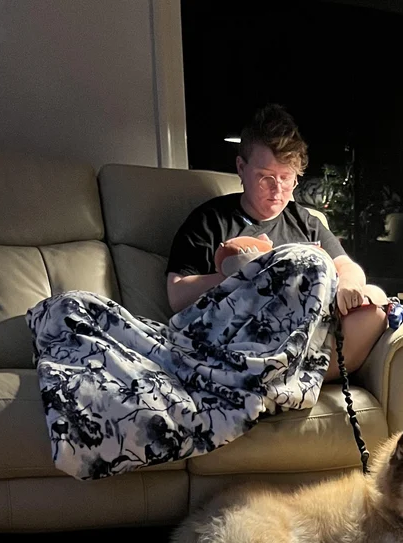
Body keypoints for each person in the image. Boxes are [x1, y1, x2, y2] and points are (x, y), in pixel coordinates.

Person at [166, 104, 387, 379]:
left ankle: (280, 377)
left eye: (286, 178)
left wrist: (349, 286)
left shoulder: (305, 221)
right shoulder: (210, 220)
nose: (278, 189)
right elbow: (177, 295)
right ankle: (269, 375)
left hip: (300, 337)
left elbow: (347, 266)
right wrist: (247, 274)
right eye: (265, 177)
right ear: (241, 168)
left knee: (375, 306)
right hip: (237, 338)